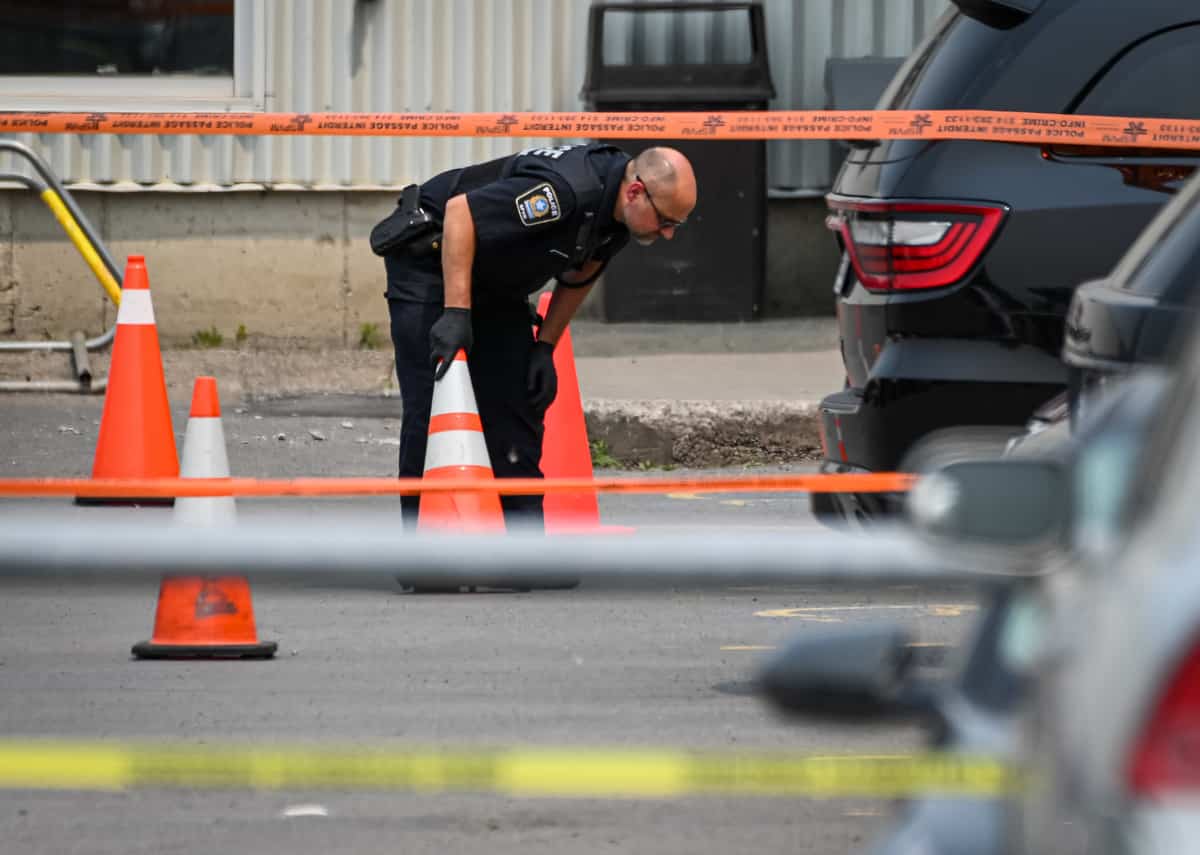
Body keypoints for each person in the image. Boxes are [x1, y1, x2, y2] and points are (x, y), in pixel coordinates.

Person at [378, 143, 697, 531]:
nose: (667, 235)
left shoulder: (620, 213)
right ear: (636, 192)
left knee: (518, 402)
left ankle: (524, 550)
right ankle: (420, 551)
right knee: (432, 403)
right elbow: (461, 214)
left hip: (493, 279)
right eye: (666, 222)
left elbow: (586, 267)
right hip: (432, 258)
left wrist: (545, 345)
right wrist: (456, 314)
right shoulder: (563, 193)